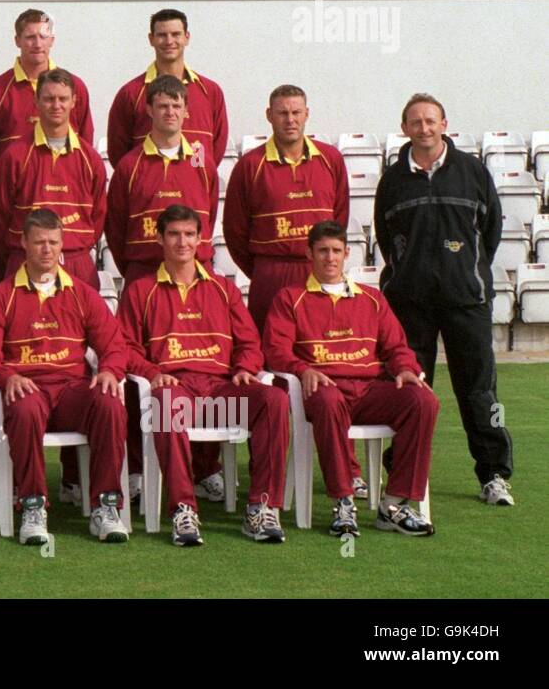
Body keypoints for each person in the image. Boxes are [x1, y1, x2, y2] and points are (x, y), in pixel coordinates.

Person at [116, 205, 290, 547]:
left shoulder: (223, 289)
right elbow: (123, 347)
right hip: (176, 388)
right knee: (166, 402)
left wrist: (244, 368)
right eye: (174, 234)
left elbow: (250, 343)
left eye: (189, 234)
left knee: (274, 399)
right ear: (160, 238)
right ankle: (183, 509)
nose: (182, 241)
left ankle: (262, 508)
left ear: (200, 239)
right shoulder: (140, 290)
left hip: (220, 395)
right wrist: (152, 373)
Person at [374, 93, 514, 507]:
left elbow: (489, 232)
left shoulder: (472, 171)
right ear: (405, 129)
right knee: (410, 389)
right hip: (410, 304)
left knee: (480, 392)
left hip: (466, 300)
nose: (424, 128)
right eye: (415, 122)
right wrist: (410, 273)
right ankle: (401, 475)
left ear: (444, 123)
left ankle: (493, 474)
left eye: (431, 121)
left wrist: (464, 273)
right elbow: (386, 237)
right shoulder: (393, 179)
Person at [264, 221, 439, 537]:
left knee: (423, 400)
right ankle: (343, 502)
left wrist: (405, 369)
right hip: (322, 389)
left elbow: (397, 346)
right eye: (322, 251)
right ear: (309, 254)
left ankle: (394, 504)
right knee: (330, 401)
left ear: (346, 254)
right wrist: (302, 369)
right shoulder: (290, 298)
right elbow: (275, 350)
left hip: (368, 390)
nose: (329, 258)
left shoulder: (371, 298)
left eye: (335, 251)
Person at [0, 208, 129, 544]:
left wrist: (111, 372)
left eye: (53, 242)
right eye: (39, 242)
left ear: (62, 245)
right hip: (29, 389)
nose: (47, 249)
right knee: (25, 406)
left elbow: (114, 344)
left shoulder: (83, 294)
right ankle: (32, 505)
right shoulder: (1, 297)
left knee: (111, 402)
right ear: (24, 244)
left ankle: (106, 505)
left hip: (72, 389)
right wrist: (6, 377)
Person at [223, 84, 349, 333]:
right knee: (271, 353)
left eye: (296, 112)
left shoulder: (331, 158)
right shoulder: (249, 165)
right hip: (271, 274)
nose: (290, 120)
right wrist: (263, 270)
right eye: (282, 113)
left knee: (320, 350)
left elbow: (340, 218)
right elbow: (234, 230)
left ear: (307, 114)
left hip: (318, 270)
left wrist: (322, 260)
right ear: (269, 115)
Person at [0, 69, 106, 287]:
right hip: (25, 260)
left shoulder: (91, 159)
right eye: (49, 99)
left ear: (74, 102)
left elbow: (97, 216)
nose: (56, 105)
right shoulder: (14, 156)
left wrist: (74, 244)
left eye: (63, 99)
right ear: (36, 102)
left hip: (76, 261)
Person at [106, 74, 217, 285]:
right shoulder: (129, 164)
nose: (170, 112)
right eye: (162, 106)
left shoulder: (200, 159)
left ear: (186, 111)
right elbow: (115, 228)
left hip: (195, 272)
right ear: (149, 110)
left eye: (176, 106)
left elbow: (210, 213)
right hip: (144, 272)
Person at [0, 8, 94, 186]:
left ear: (52, 40)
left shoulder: (75, 87)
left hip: (66, 188)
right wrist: (1, 185)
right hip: (15, 193)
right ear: (17, 41)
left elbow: (85, 140)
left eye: (43, 37)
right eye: (30, 37)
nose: (37, 44)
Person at [106, 8, 228, 164]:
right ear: (151, 39)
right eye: (162, 35)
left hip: (196, 185)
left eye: (176, 34)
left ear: (187, 37)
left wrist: (198, 176)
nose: (169, 41)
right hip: (150, 186)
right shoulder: (131, 93)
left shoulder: (211, 91)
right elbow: (118, 153)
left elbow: (217, 148)